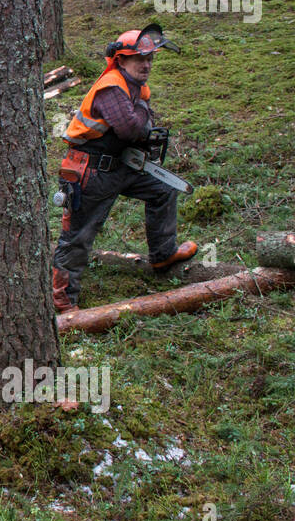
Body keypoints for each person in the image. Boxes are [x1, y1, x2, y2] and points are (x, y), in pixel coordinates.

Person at [51, 23, 198, 311]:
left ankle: (163, 253)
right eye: (140, 59)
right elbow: (130, 128)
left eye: (149, 59)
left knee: (163, 188)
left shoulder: (136, 88)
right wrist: (144, 114)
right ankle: (63, 299)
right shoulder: (112, 87)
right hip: (90, 171)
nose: (146, 65)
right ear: (122, 60)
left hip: (120, 165)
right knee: (78, 236)